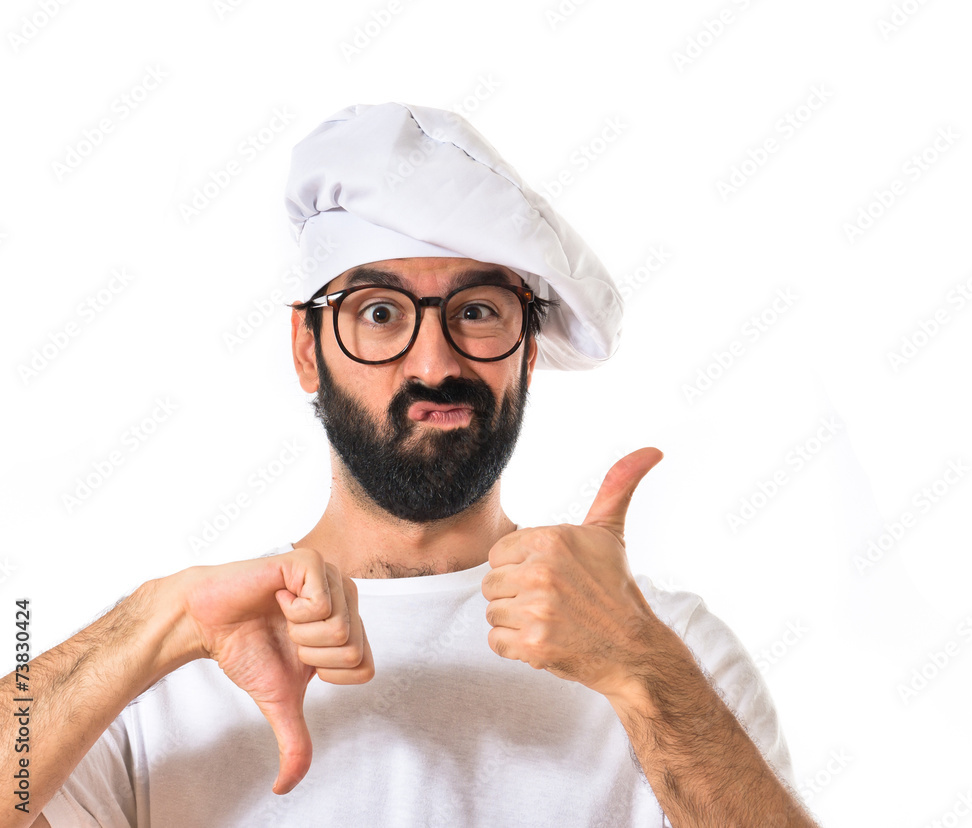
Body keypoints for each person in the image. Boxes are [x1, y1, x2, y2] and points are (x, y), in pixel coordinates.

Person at [5, 103, 819, 827]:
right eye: (381, 311)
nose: (434, 361)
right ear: (306, 349)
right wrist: (160, 621)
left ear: (526, 353)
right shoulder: (172, 673)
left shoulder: (672, 652)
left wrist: (642, 668)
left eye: (475, 310)